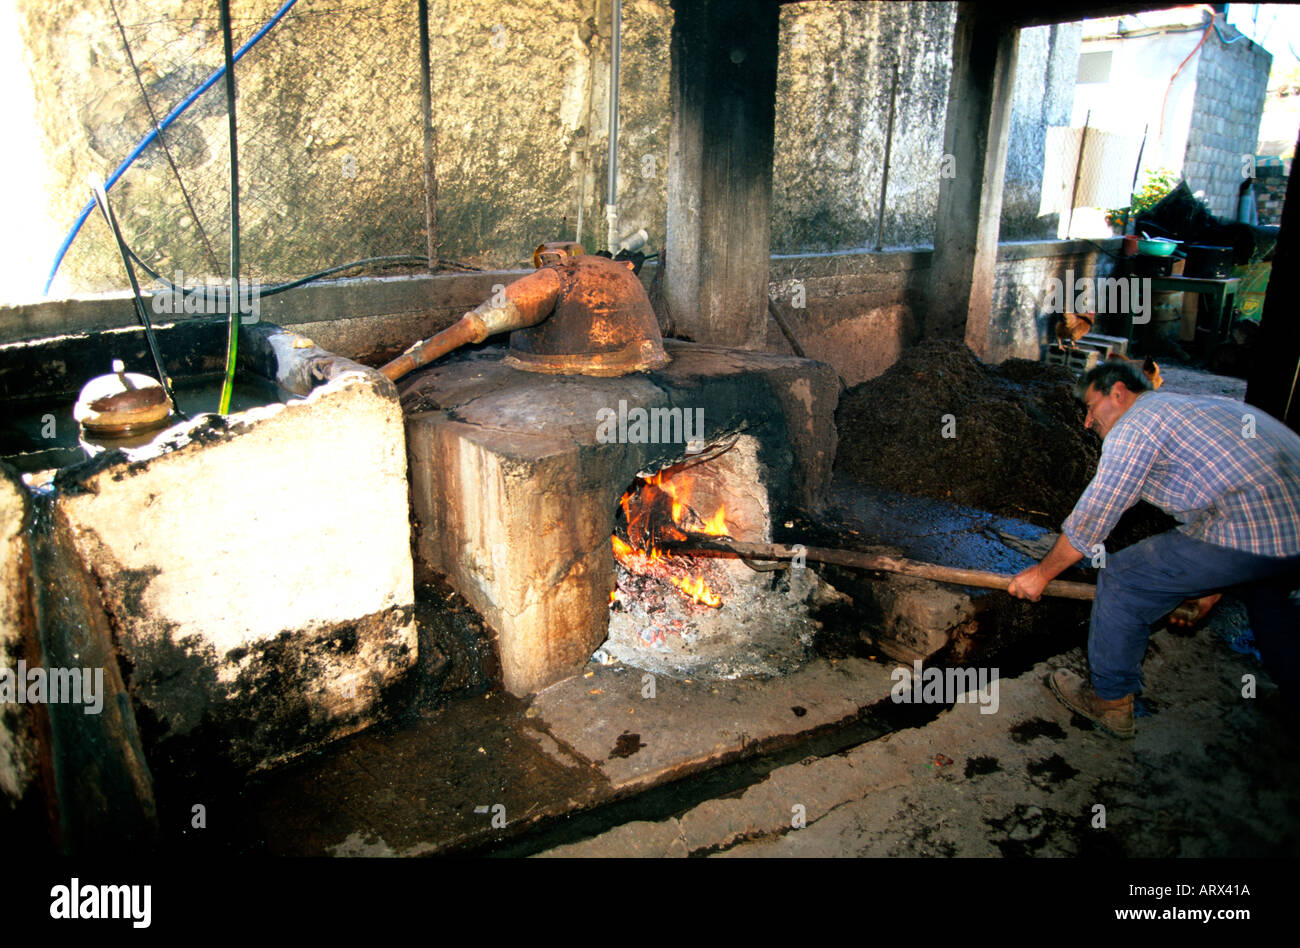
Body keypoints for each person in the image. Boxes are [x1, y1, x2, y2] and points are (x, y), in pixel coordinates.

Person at [1008, 360, 1300, 738]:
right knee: (1270, 599)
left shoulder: (1136, 426)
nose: (1085, 421)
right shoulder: (1184, 408)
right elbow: (1219, 497)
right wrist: (1211, 586)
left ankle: (1110, 701)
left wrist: (1041, 574)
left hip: (1260, 526)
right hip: (1283, 532)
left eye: (1090, 407)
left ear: (1118, 392)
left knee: (1124, 578)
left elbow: (1095, 515)